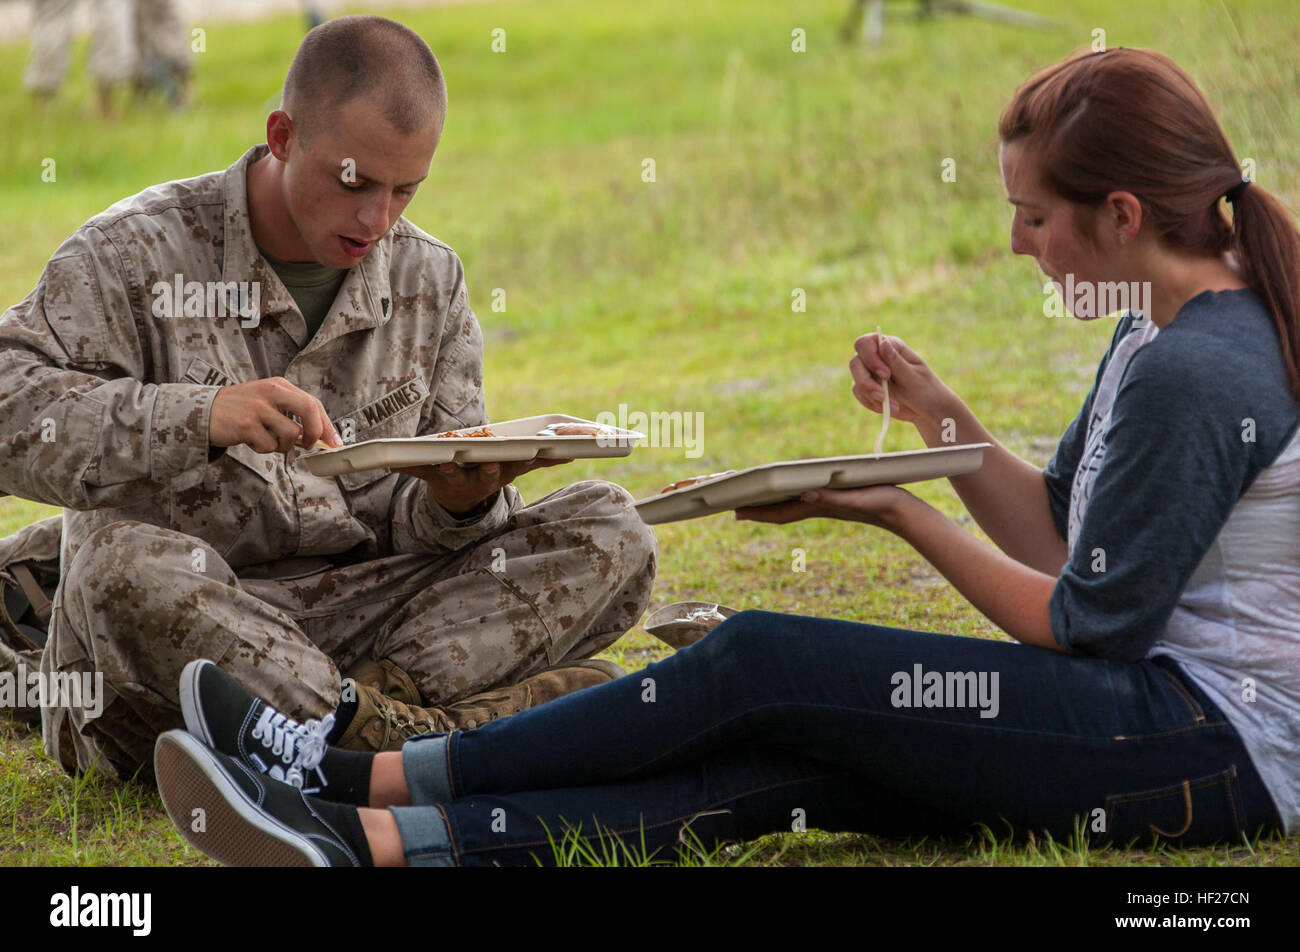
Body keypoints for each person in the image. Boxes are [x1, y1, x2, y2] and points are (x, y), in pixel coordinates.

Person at [152, 46, 1299, 865]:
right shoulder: (1155, 328)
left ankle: (353, 777)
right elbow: (1060, 527)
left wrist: (899, 514)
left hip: (1201, 744)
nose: (1012, 240)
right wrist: (938, 415)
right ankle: (373, 841)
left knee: (762, 662)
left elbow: (1091, 622)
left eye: (1034, 216)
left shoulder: (1203, 369)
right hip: (1162, 723)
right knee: (785, 774)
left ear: (1122, 212)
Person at [0, 15, 657, 782]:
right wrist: (198, 417)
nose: (376, 220)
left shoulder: (428, 281)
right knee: (115, 564)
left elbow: (426, 537)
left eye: (404, 189)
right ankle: (440, 737)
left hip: (377, 628)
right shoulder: (133, 253)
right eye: (354, 182)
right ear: (283, 136)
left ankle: (363, 733)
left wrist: (459, 504)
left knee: (613, 529)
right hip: (193, 626)